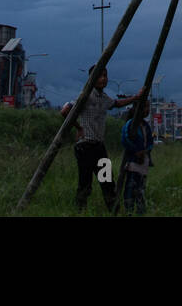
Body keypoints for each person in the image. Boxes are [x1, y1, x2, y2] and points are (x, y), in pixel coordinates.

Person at [61, 66, 143, 212]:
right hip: (85, 147)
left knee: (107, 182)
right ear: (91, 78)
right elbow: (65, 110)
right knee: (85, 184)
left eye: (105, 75)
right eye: (99, 76)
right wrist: (78, 128)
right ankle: (81, 211)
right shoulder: (85, 96)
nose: (103, 79)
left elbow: (116, 104)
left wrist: (135, 97)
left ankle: (113, 211)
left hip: (98, 147)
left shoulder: (103, 97)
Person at [120, 102, 155, 215]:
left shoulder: (146, 125)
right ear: (136, 109)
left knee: (140, 189)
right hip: (132, 162)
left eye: (148, 107)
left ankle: (141, 211)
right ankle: (129, 211)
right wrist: (136, 151)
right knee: (130, 188)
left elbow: (150, 142)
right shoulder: (131, 124)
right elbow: (125, 139)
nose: (147, 110)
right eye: (145, 107)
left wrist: (145, 151)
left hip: (143, 163)